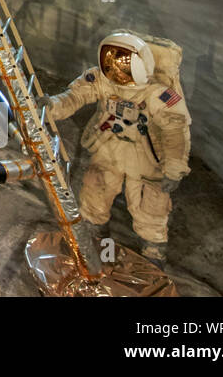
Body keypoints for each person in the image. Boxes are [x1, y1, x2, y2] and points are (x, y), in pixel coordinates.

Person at [37, 32, 191, 266]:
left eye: (124, 67)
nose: (116, 73)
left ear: (141, 66)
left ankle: (153, 251)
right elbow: (76, 95)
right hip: (109, 149)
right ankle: (95, 234)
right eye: (112, 65)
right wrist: (52, 106)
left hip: (148, 158)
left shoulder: (159, 94)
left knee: (150, 207)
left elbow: (176, 131)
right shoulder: (100, 79)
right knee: (95, 189)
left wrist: (174, 168)